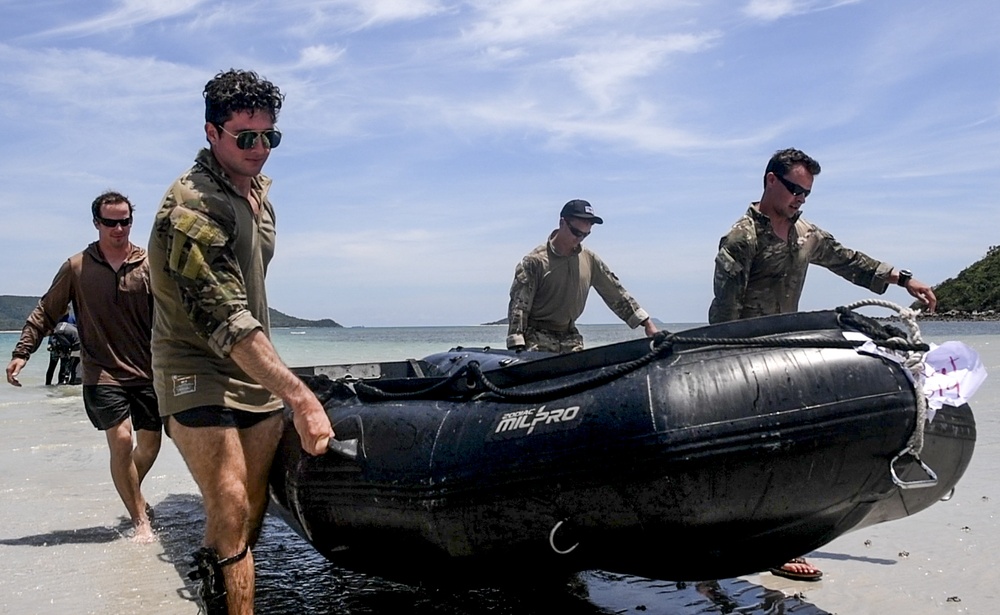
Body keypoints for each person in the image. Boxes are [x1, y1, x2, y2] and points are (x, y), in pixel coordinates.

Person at [147, 68, 334, 615]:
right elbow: (226, 317)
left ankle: (214, 585)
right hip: (193, 365)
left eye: (269, 137)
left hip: (249, 369)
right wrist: (300, 396)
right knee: (229, 502)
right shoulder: (192, 207)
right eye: (245, 137)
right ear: (211, 132)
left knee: (249, 512)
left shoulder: (259, 193)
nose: (259, 149)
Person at [709, 147, 938, 582]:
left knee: (792, 454)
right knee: (759, 458)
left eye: (807, 192)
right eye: (795, 189)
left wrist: (904, 279)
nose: (800, 198)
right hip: (744, 361)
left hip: (786, 358)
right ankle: (760, 544)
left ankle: (774, 538)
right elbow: (723, 313)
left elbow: (850, 261)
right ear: (770, 180)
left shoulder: (805, 234)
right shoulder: (742, 238)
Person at [6, 190, 162, 543]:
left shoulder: (149, 265)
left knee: (150, 446)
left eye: (125, 221)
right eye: (111, 222)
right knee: (122, 440)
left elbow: (175, 316)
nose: (119, 228)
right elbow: (47, 310)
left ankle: (131, 493)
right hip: (101, 371)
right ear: (96, 223)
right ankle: (141, 521)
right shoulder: (77, 267)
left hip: (148, 371)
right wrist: (23, 351)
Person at [506, 199, 658, 353]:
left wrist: (647, 324)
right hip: (537, 339)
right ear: (562, 223)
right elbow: (518, 307)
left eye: (586, 235)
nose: (579, 239)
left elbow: (615, 293)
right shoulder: (534, 262)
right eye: (576, 232)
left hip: (570, 338)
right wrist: (516, 344)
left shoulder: (590, 260)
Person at [45, 314, 80, 386]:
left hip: (74, 346)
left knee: (67, 366)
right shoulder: (58, 324)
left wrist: (65, 352)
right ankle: (66, 384)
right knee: (64, 366)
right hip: (74, 343)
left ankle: (64, 384)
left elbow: (66, 343)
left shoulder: (57, 330)